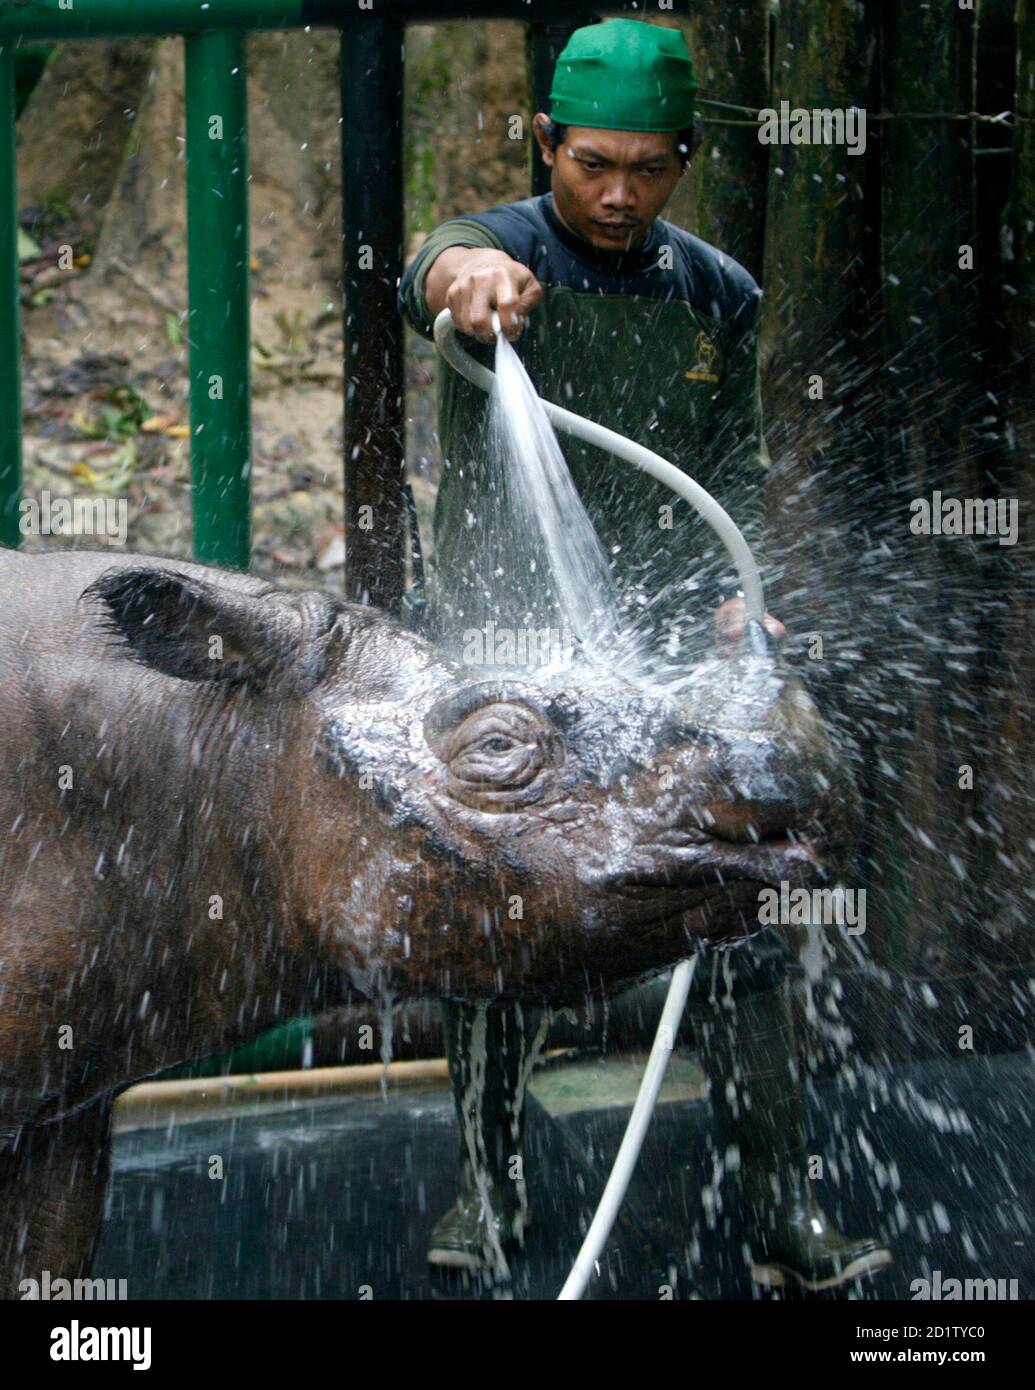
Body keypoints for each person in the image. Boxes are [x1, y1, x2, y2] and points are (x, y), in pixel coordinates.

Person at [398, 18, 890, 1292]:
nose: (619, 194)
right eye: (593, 163)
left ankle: (780, 1203)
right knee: (492, 910)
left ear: (686, 159)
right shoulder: (499, 254)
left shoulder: (716, 290)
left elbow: (734, 480)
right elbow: (434, 266)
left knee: (745, 907)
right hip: (509, 651)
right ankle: (487, 1192)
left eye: (651, 167)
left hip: (661, 649)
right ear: (547, 144)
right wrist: (466, 287)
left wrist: (745, 597)